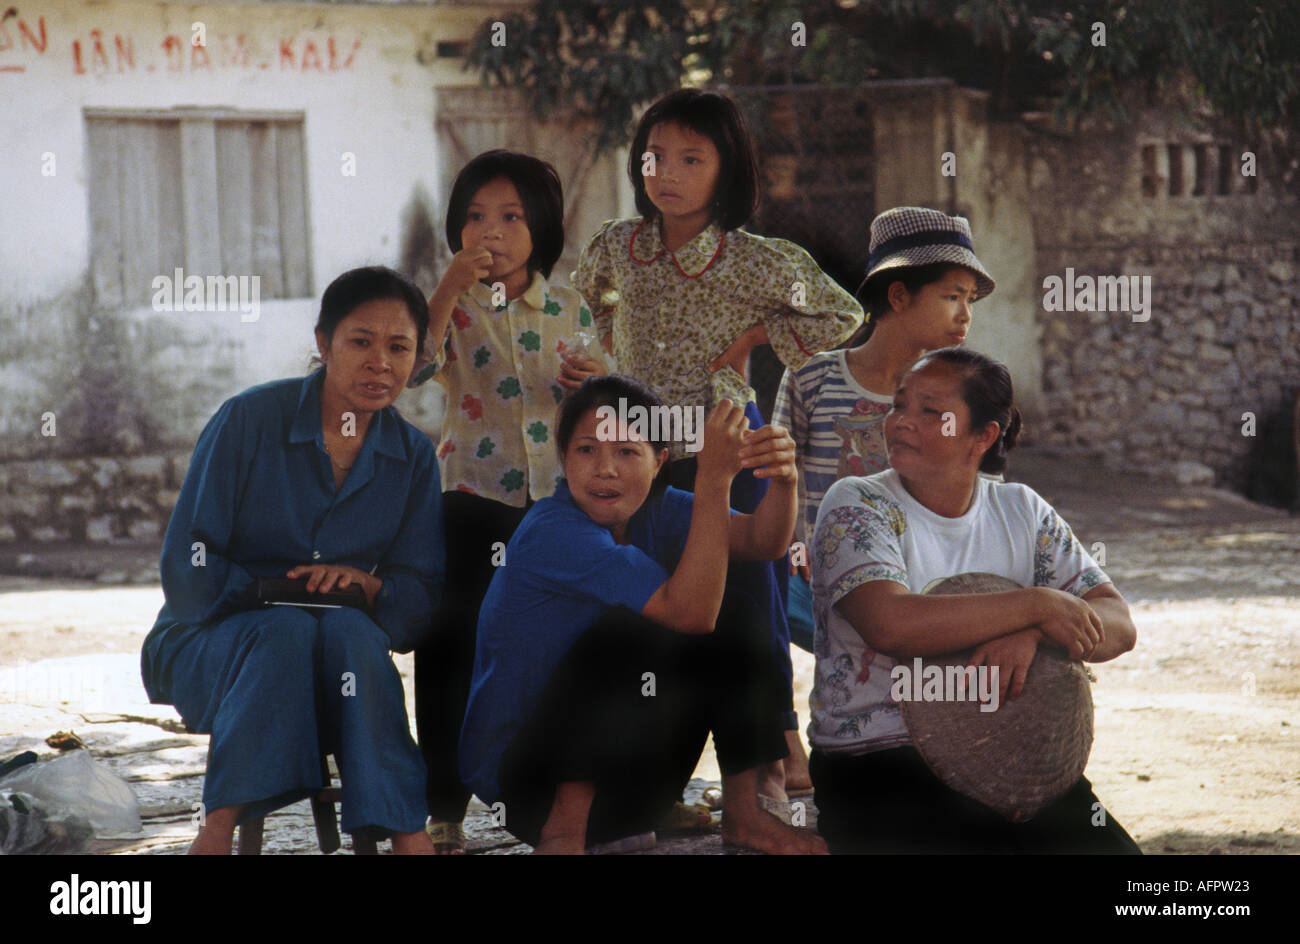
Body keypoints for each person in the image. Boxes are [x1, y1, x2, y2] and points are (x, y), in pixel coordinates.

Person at [569, 86, 863, 804]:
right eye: (654, 157)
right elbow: (588, 299)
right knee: (650, 603)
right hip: (640, 458)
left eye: (689, 159)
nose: (665, 173)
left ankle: (772, 758)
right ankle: (646, 778)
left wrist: (754, 339)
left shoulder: (758, 260)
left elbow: (845, 312)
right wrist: (609, 361)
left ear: (727, 169)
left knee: (747, 604)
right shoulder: (618, 245)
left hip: (726, 450)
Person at [140, 266, 445, 855]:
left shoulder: (411, 457)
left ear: (416, 358)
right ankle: (217, 829)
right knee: (283, 630)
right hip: (211, 646)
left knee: (354, 631)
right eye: (361, 341)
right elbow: (189, 561)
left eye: (399, 346)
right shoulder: (248, 421)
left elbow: (418, 595)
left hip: (336, 661)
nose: (381, 362)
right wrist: (269, 590)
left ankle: (409, 835)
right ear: (324, 343)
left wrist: (368, 585)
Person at [459, 375, 828, 855]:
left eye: (627, 452)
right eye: (586, 450)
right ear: (563, 460)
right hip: (531, 786)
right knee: (625, 633)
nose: (605, 469)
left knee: (737, 610)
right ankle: (563, 835)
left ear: (659, 463)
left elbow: (763, 541)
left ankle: (746, 814)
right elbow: (690, 613)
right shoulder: (555, 531)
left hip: (634, 787)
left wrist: (783, 478)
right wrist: (715, 479)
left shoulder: (657, 510)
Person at [808, 346, 1141, 853]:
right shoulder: (858, 502)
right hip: (882, 764)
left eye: (930, 411)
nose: (901, 422)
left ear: (983, 436)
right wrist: (1038, 606)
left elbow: (1117, 623)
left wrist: (1032, 632)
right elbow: (891, 624)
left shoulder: (1020, 509)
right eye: (899, 405)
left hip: (1013, 755)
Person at [407, 150, 602, 854]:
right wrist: (447, 285)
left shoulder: (573, 307)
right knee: (451, 646)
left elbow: (608, 405)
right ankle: (443, 805)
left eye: (512, 216)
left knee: (556, 649)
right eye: (476, 217)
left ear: (541, 226)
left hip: (554, 506)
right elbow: (416, 369)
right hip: (469, 500)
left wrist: (596, 379)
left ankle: (552, 794)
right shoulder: (453, 306)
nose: (492, 230)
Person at [774, 207, 995, 655]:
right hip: (829, 591)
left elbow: (983, 498)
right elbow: (777, 477)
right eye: (953, 297)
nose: (965, 315)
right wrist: (795, 549)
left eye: (971, 300)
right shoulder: (812, 379)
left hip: (926, 591)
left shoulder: (967, 391)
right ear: (898, 296)